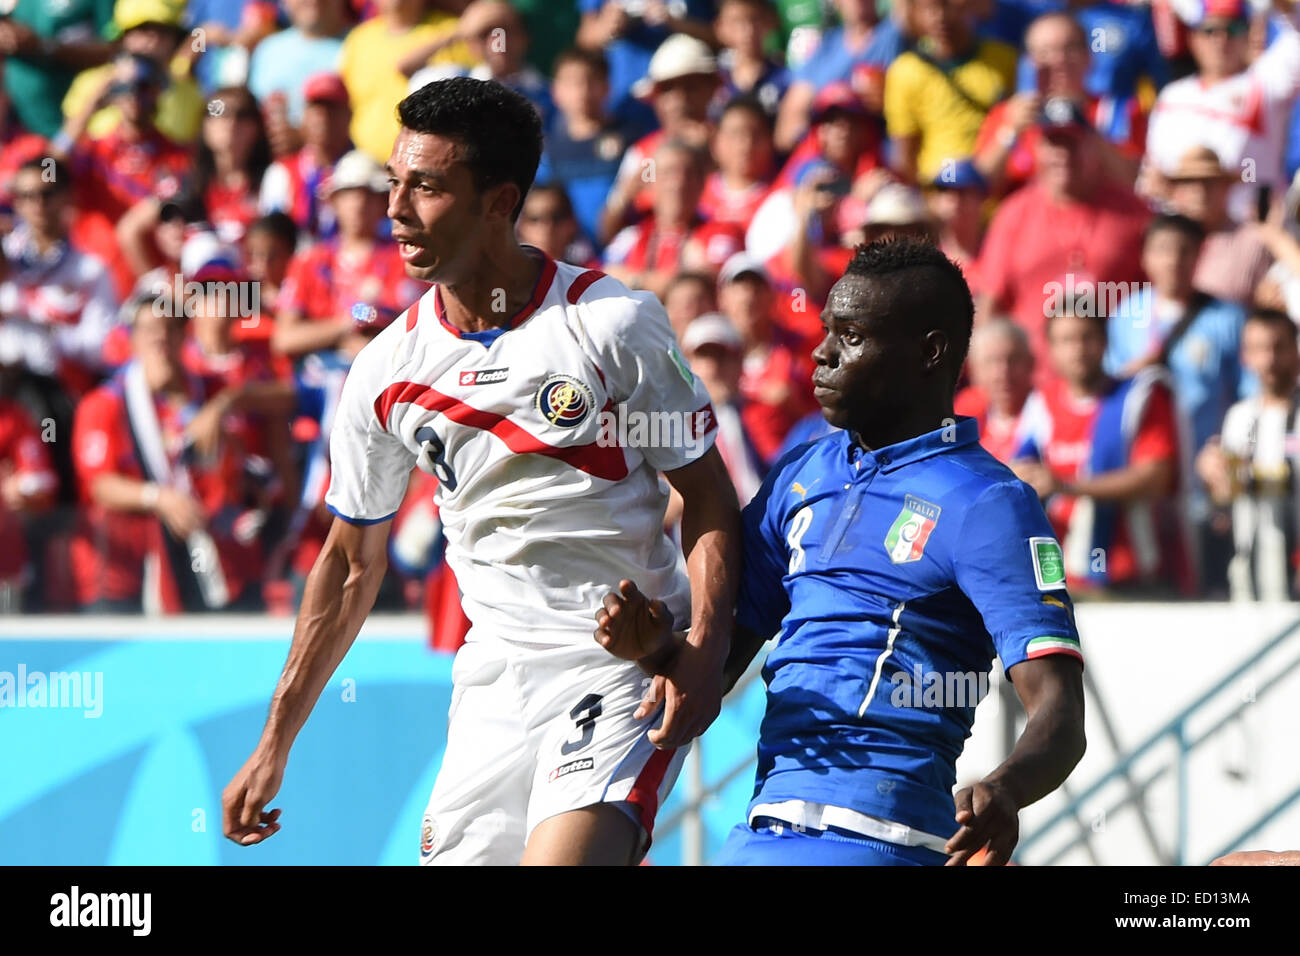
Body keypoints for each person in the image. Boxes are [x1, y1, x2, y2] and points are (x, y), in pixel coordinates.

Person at [222, 77, 741, 866]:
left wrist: (702, 649)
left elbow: (707, 497)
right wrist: (274, 742)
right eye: (395, 182)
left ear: (500, 201)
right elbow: (350, 563)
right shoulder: (385, 370)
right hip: (492, 684)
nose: (395, 209)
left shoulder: (611, 324)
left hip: (617, 665)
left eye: (426, 187)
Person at [594, 238, 1086, 865]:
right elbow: (714, 667)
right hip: (763, 827)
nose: (822, 354)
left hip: (883, 835)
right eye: (826, 330)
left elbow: (1061, 711)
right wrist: (659, 649)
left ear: (929, 353)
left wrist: (1006, 788)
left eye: (851, 336)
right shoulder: (802, 473)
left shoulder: (990, 502)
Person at [1011, 303, 1194, 596]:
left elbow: (1156, 478)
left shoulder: (1142, 395)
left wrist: (1067, 486)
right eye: (1067, 340)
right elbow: (1018, 470)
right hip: (1063, 578)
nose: (1078, 349)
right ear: (1050, 349)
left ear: (1105, 341)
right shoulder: (1041, 404)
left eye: (1087, 337)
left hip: (1137, 578)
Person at [977, 96, 1149, 385]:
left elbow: (1161, 298)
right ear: (1038, 149)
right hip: (1034, 385)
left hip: (1116, 380)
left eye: (1072, 144)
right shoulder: (1013, 214)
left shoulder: (1133, 212)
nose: (1062, 155)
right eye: (1053, 144)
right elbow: (990, 307)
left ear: (1093, 146)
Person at [1145, 0, 1300, 224]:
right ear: (1193, 39)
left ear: (1248, 34)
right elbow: (1150, 178)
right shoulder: (1172, 95)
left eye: (1233, 29)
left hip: (1246, 233)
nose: (1221, 40)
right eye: (1209, 30)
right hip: (1182, 233)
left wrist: (1284, 5)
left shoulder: (1264, 84)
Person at [1104, 213, 1245, 457]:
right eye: (1162, 250)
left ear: (1200, 255)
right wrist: (1134, 372)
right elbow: (1107, 386)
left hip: (1203, 462)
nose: (1173, 260)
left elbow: (1247, 393)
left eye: (1184, 250)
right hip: (1141, 461)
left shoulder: (1228, 319)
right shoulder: (1126, 313)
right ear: (1144, 257)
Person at [1198, 309, 1300, 601]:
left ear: (1295, 350)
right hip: (1249, 576)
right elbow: (1224, 496)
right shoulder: (1239, 417)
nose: (1269, 359)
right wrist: (1210, 473)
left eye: (1278, 347)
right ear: (1246, 356)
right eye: (1259, 349)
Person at [883, 0, 1017, 184]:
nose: (940, 18)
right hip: (940, 184)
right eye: (929, 8)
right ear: (915, 13)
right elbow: (905, 154)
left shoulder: (1005, 60)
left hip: (995, 186)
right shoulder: (905, 71)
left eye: (949, 5)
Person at [535, 47, 633, 246]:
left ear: (607, 86)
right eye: (572, 82)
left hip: (617, 253)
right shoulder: (548, 152)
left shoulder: (630, 142)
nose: (583, 90)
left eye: (592, 80)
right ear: (556, 91)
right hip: (565, 257)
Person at [955, 318, 1035, 463]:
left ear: (1031, 363)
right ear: (974, 371)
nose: (1003, 373)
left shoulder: (1047, 412)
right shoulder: (966, 410)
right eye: (991, 362)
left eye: (1013, 359)